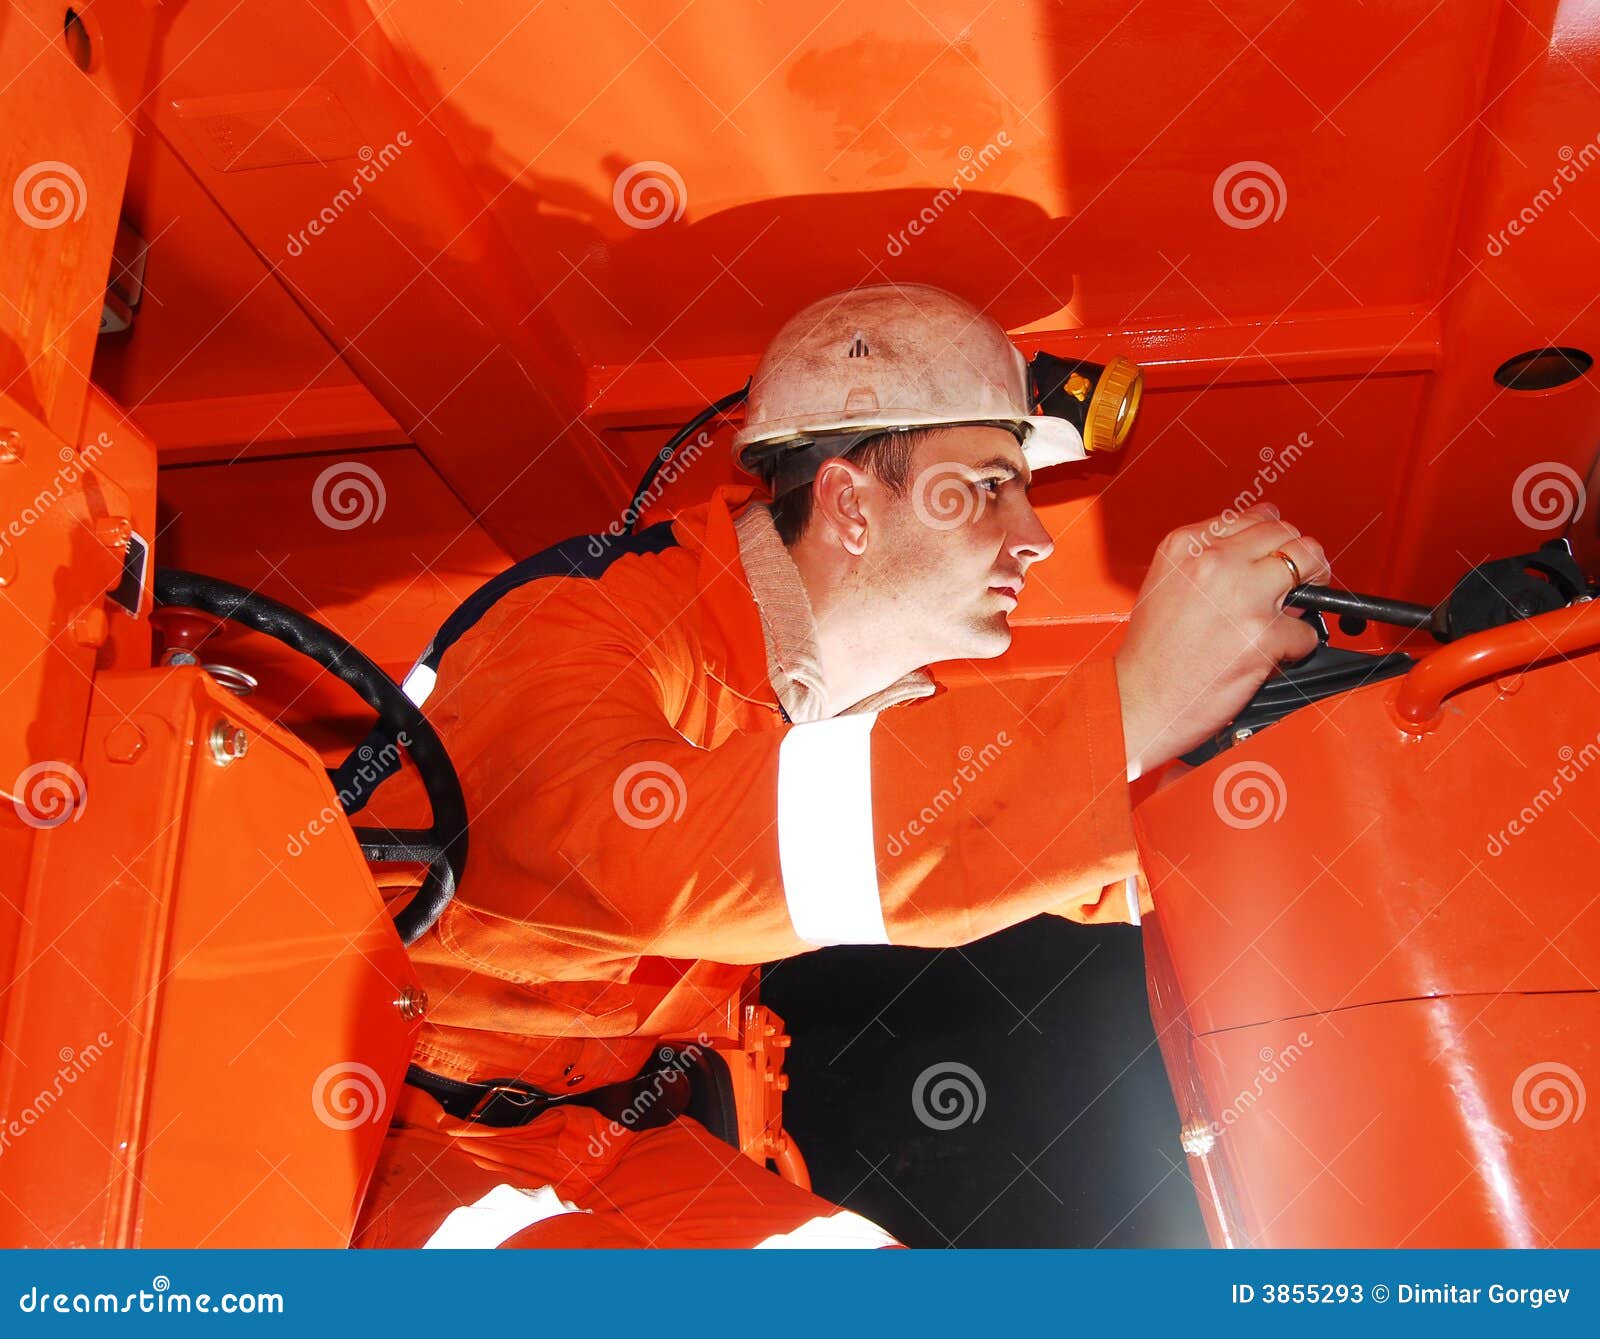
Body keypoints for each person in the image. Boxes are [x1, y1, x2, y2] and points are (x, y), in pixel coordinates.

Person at [352, 282, 1330, 1249]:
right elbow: (642, 853)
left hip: (606, 1141)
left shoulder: (848, 706)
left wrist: (1270, 788)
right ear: (849, 500)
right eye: (992, 485)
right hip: (374, 1134)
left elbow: (1028, 830)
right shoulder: (579, 621)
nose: (1033, 538)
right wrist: (1125, 708)